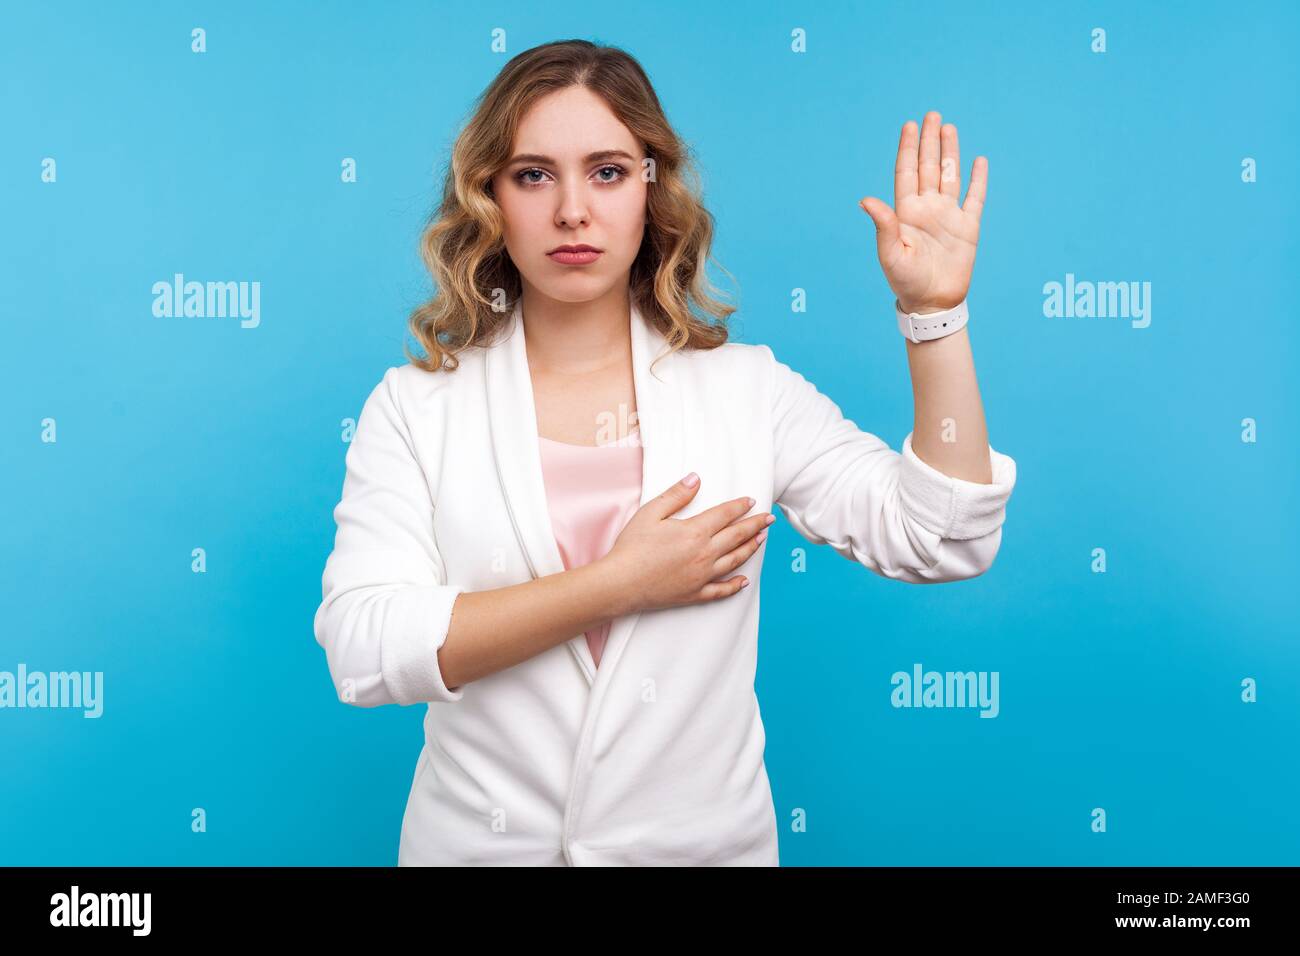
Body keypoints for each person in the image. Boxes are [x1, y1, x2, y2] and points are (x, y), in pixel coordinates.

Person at [313, 39, 1018, 866]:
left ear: (652, 189)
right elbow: (363, 650)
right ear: (490, 197)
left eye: (608, 171)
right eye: (534, 174)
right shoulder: (416, 406)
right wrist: (617, 583)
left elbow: (943, 538)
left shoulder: (745, 391)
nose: (572, 209)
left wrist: (934, 315)